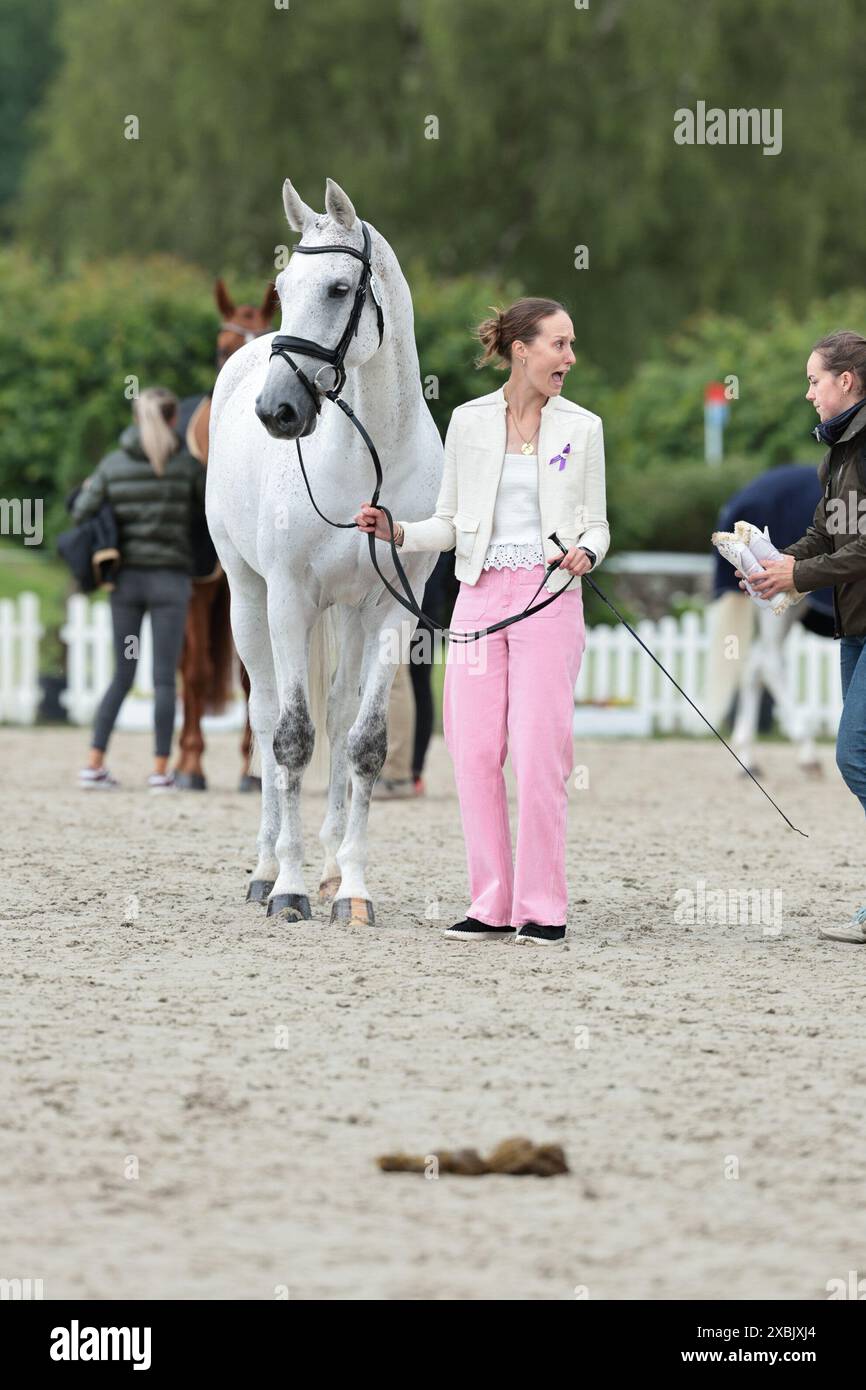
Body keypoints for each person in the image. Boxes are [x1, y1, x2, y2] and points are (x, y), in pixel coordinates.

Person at [355, 298, 609, 945]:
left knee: (537, 755)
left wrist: (589, 550)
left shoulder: (583, 428)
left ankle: (543, 907)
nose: (570, 358)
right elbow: (448, 520)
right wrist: (399, 530)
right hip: (477, 599)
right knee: (471, 754)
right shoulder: (466, 423)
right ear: (522, 349)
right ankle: (491, 904)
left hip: (549, 597)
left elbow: (598, 523)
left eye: (572, 345)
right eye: (560, 345)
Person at [745, 331, 866, 942]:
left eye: (815, 379)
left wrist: (801, 574)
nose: (808, 392)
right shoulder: (838, 454)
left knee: (853, 755)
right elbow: (827, 535)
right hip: (856, 628)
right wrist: (773, 567)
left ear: (847, 381)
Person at [73, 387, 205, 791]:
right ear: (172, 421)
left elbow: (81, 511)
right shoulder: (186, 466)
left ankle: (95, 763)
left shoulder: (112, 465)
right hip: (171, 583)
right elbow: (208, 514)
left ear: (136, 419)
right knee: (165, 678)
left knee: (123, 673)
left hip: (126, 585)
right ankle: (160, 770)